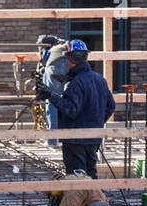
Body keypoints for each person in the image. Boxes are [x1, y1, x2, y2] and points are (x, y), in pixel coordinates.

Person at [40, 40, 116, 178]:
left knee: (77, 178)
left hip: (74, 140)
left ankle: (83, 200)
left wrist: (51, 96)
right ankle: (94, 199)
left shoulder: (75, 83)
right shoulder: (99, 79)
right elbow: (111, 106)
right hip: (93, 138)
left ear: (68, 58)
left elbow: (71, 110)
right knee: (91, 175)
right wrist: (96, 122)